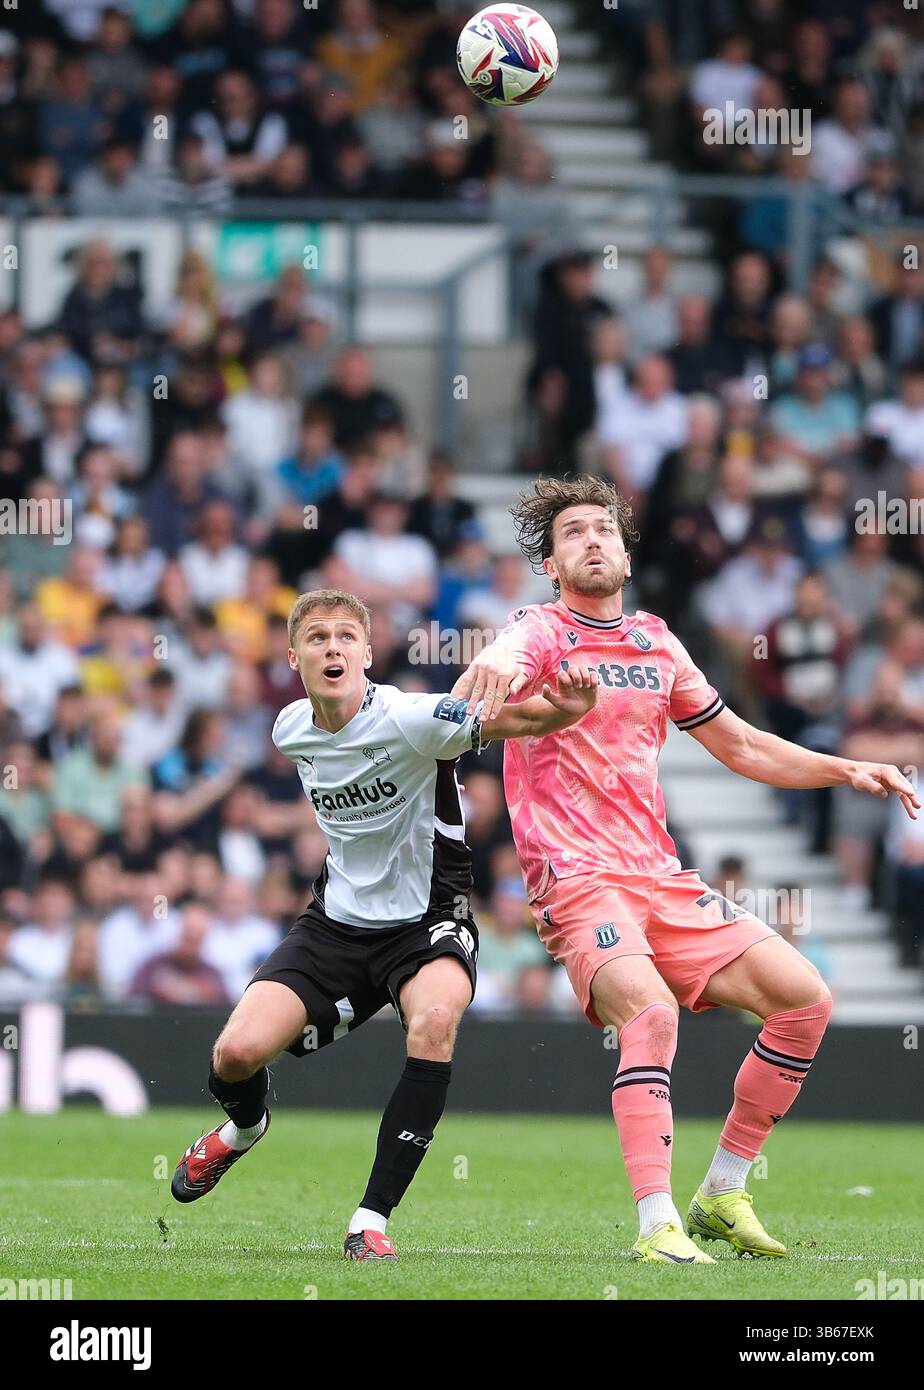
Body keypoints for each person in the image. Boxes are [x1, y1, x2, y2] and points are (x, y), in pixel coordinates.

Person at [452, 475, 919, 1265]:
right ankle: (656, 1223)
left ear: (628, 557)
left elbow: (741, 746)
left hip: (661, 879)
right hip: (578, 877)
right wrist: (495, 661)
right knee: (653, 1015)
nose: (593, 539)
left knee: (805, 1001)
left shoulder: (656, 642)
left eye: (605, 529)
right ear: (552, 563)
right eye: (573, 533)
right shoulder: (536, 629)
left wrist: (848, 768)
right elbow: (502, 656)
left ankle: (721, 1192)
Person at [170, 587, 598, 1260]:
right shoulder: (290, 730)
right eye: (317, 638)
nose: (332, 647)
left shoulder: (411, 718)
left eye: (346, 636)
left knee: (433, 1023)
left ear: (367, 653)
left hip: (432, 916)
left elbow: (511, 719)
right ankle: (243, 1131)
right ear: (293, 657)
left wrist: (566, 708)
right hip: (335, 926)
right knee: (234, 1056)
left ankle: (370, 1220)